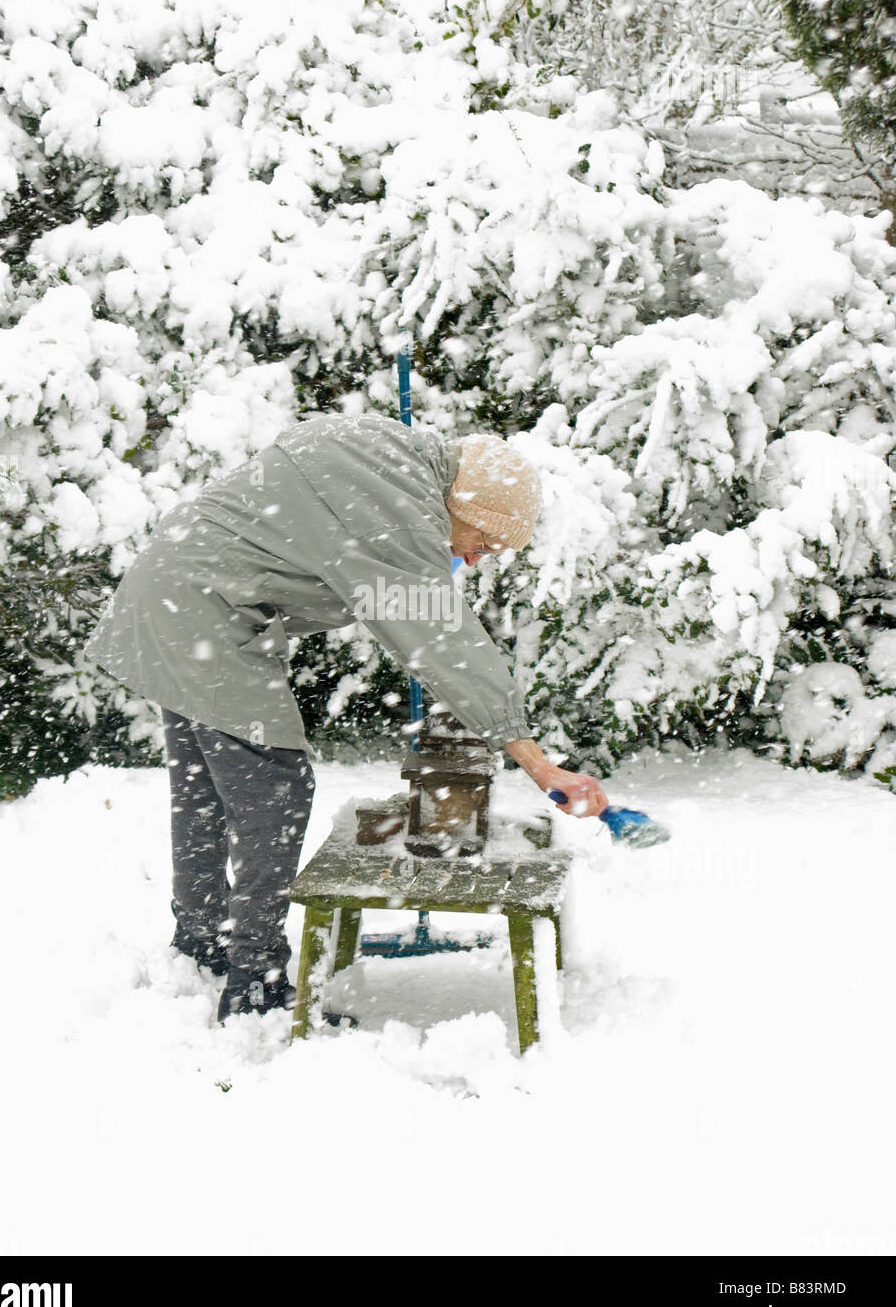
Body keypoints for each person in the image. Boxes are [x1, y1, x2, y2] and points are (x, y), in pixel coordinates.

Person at [84, 411, 608, 1020]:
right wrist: (537, 762)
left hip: (171, 589)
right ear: (463, 503)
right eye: (484, 541)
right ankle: (254, 979)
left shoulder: (388, 458)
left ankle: (201, 938)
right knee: (275, 786)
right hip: (205, 611)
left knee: (205, 788)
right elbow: (440, 638)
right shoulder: (397, 506)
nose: (480, 556)